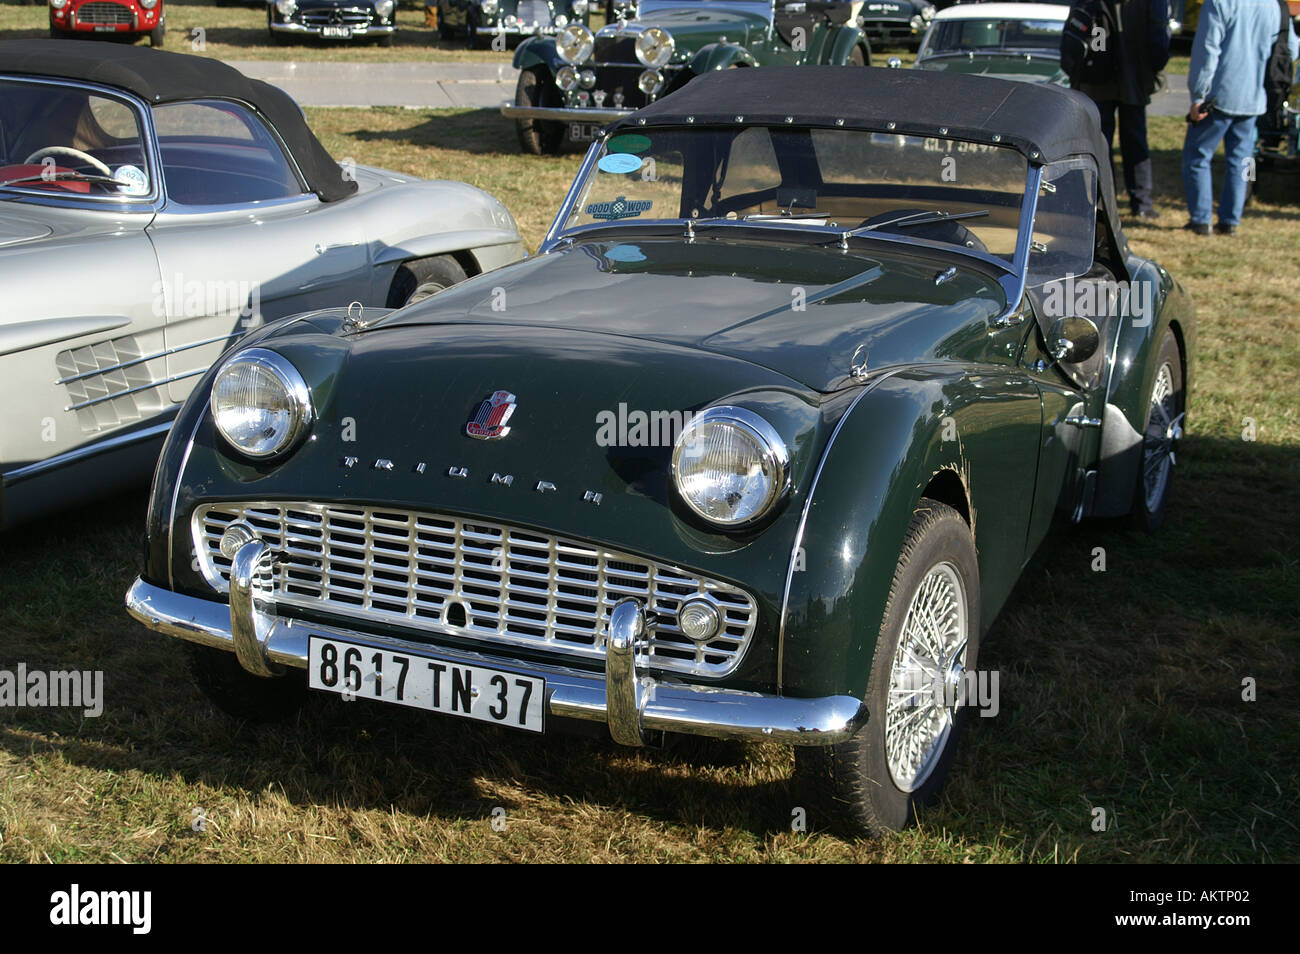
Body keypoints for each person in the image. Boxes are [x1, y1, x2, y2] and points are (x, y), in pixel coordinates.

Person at [1183, 0, 1300, 235]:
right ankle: (1231, 220)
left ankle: (1201, 219)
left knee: (1197, 156)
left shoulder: (1218, 3)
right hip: (1255, 98)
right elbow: (1291, 48)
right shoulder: (1274, 6)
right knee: (1243, 161)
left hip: (1217, 97)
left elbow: (1207, 49)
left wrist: (1199, 94)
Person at [1070, 0, 1172, 221]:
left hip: (1096, 78)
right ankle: (1141, 202)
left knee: (1100, 143)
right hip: (1133, 77)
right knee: (1135, 141)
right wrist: (1153, 70)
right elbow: (1159, 39)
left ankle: (1102, 200)